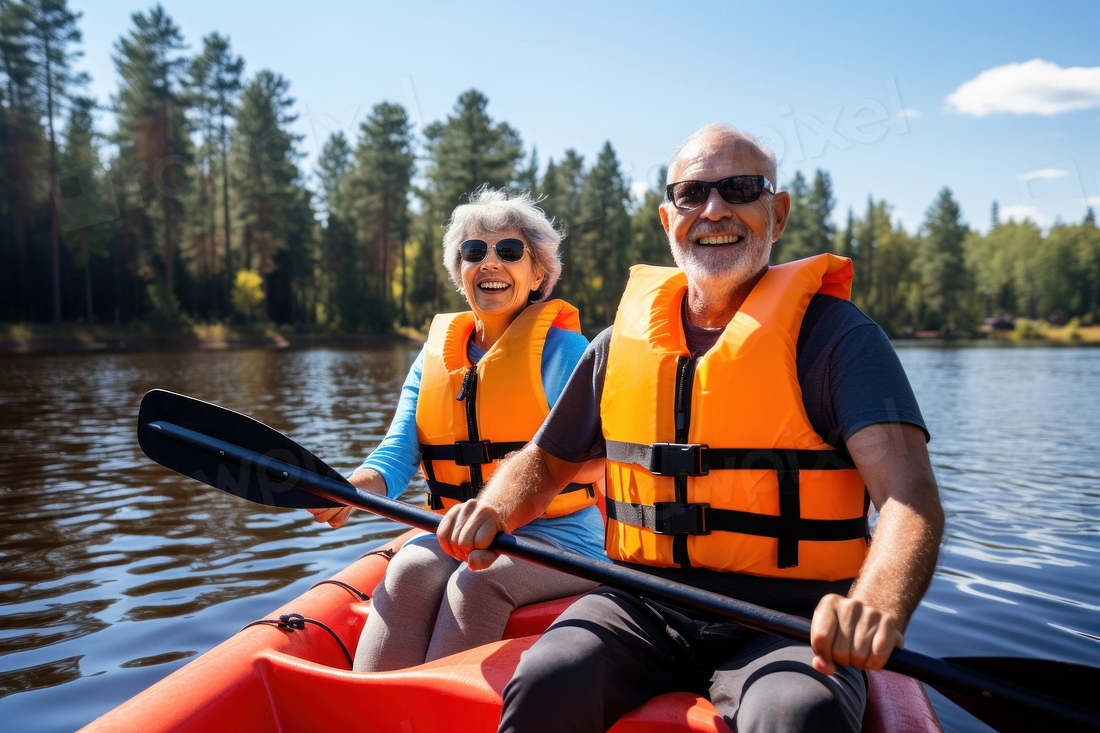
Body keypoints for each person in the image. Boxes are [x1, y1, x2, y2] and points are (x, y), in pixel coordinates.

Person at [436, 124, 945, 733]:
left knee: (797, 713)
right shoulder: (615, 348)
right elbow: (546, 462)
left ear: (776, 213)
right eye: (692, 194)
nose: (713, 210)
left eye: (739, 189)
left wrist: (876, 603)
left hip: (788, 622)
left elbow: (908, 499)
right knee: (548, 677)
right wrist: (494, 506)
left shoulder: (839, 339)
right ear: (667, 217)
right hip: (640, 602)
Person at [310, 187, 605, 672]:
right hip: (455, 530)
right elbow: (394, 457)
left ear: (538, 275)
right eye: (474, 252)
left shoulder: (567, 354)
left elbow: (603, 458)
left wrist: (509, 499)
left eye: (509, 251)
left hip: (562, 537)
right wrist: (349, 490)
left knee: (477, 582)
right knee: (407, 568)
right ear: (460, 272)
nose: (489, 263)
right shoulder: (432, 361)